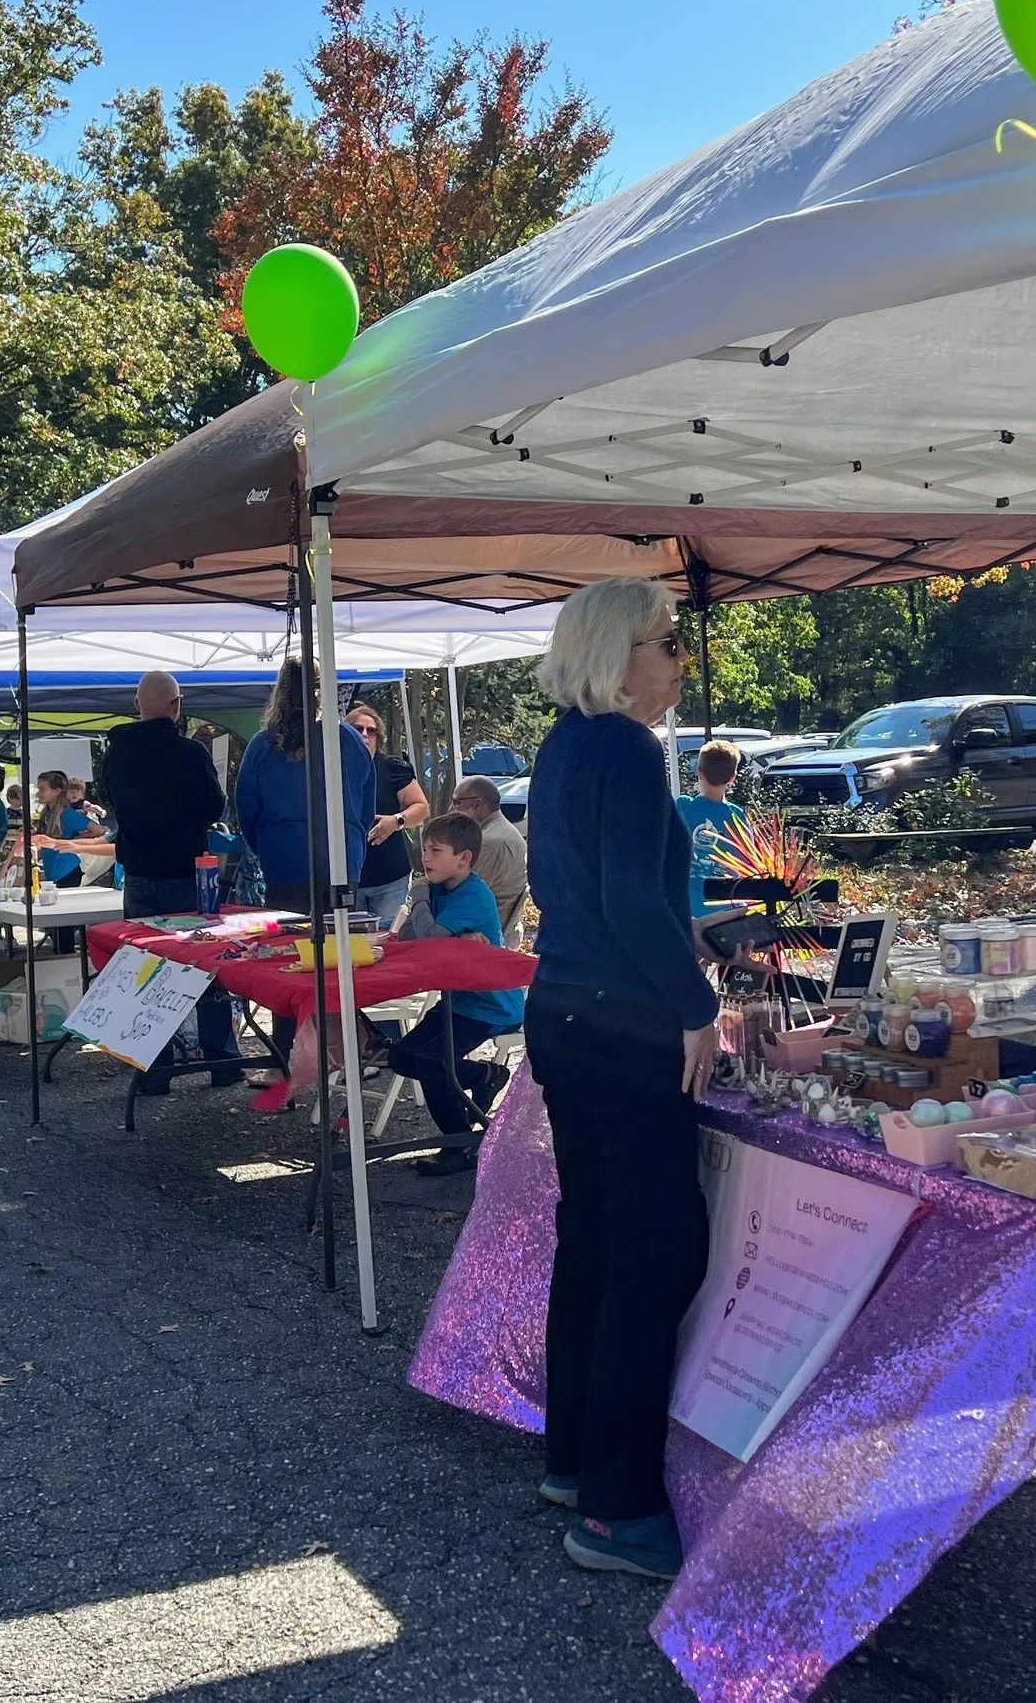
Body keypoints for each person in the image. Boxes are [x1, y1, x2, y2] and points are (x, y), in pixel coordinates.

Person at [525, 576, 724, 1583]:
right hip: (620, 1027)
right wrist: (698, 1007)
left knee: (596, 1243)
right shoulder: (626, 749)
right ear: (619, 653)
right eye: (666, 644)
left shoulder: (565, 744)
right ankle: (617, 1504)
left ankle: (574, 1461)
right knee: (655, 1251)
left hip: (565, 1013)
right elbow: (628, 903)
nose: (678, 661)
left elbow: (608, 896)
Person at [100, 670, 240, 1096]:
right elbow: (214, 806)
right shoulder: (190, 753)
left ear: (138, 704)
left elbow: (113, 805)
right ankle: (221, 1059)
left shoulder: (116, 754)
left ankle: (154, 1068)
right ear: (176, 706)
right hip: (187, 874)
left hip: (139, 875)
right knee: (205, 967)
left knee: (144, 972)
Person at [389, 812, 527, 1176]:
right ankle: (483, 1076)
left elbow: (430, 938)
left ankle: (459, 1143)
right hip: (459, 999)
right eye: (424, 849)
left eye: (436, 850)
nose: (426, 858)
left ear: (463, 858)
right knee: (402, 1058)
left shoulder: (473, 892)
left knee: (434, 1063)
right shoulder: (438, 889)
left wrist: (419, 902)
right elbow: (409, 937)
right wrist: (436, 927)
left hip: (491, 1004)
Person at [233, 660, 372, 918]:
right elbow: (365, 808)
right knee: (337, 946)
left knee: (288, 949)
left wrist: (268, 845)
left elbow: (246, 810)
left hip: (284, 860)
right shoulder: (350, 739)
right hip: (342, 860)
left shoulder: (263, 745)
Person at [349, 701, 429, 928]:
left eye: (371, 731)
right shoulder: (333, 769)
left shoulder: (392, 768)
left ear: (379, 737)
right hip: (348, 878)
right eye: (357, 729)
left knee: (389, 941)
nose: (365, 735)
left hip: (390, 876)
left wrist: (396, 821)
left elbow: (422, 808)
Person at [675, 739, 751, 916]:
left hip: (687, 906)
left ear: (699, 773)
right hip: (725, 909)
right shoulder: (737, 816)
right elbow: (746, 863)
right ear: (732, 778)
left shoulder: (683, 806)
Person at [449, 776, 527, 945]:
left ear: (478, 804)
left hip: (485, 940)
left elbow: (462, 899)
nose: (452, 808)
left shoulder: (489, 842)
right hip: (499, 933)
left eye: (457, 802)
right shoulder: (502, 831)